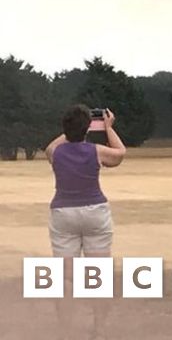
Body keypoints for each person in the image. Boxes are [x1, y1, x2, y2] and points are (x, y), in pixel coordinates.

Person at [44, 105, 126, 340]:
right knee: (98, 275)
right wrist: (108, 128)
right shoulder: (96, 151)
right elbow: (120, 153)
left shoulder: (56, 153)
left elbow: (50, 146)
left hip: (63, 212)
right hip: (94, 212)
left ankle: (65, 330)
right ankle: (99, 330)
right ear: (88, 128)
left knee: (64, 277)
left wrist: (73, 129)